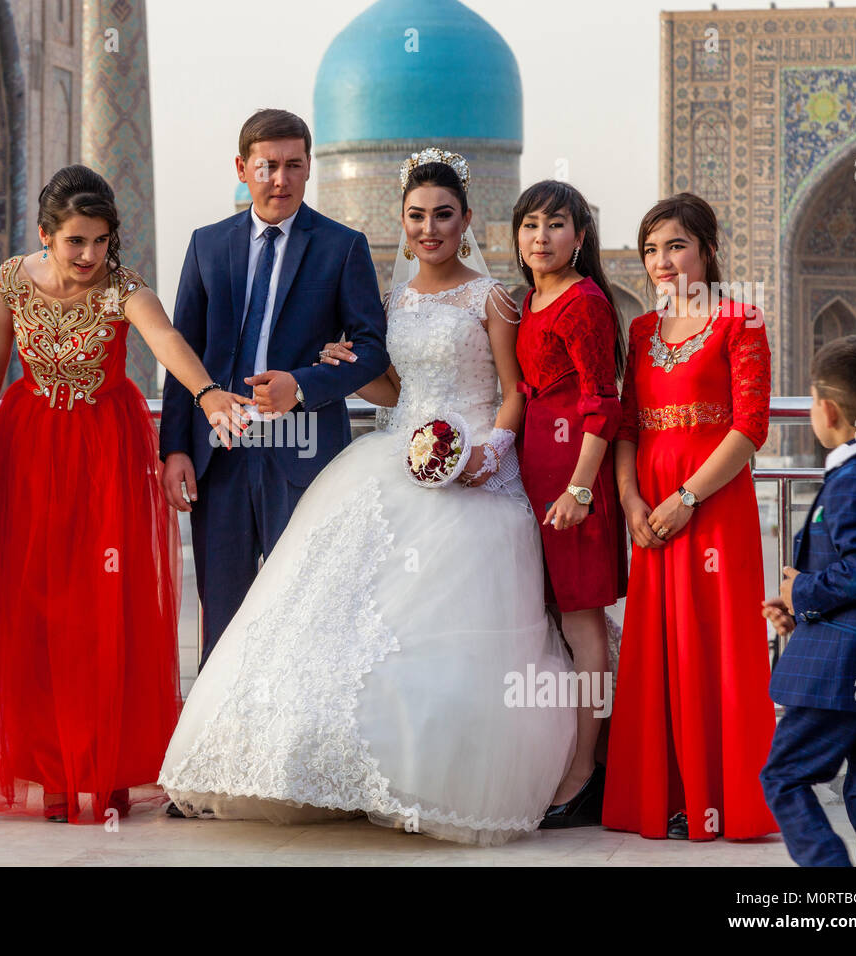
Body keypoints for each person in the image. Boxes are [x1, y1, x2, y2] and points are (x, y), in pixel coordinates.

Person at [157, 149, 576, 845]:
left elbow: (513, 393)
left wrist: (487, 452)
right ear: (403, 223)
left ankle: (432, 777)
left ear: (466, 220)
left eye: (443, 215)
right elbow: (395, 389)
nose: (430, 228)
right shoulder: (395, 300)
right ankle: (332, 767)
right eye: (417, 216)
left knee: (440, 627)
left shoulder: (492, 298)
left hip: (471, 468)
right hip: (396, 454)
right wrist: (345, 369)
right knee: (341, 614)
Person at [0, 165, 249, 824]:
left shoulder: (123, 287)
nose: (89, 256)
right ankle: (52, 772)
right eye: (76, 241)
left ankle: (107, 768)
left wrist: (205, 392)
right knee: (36, 610)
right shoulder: (9, 282)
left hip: (104, 457)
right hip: (23, 455)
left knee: (103, 609)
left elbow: (165, 339)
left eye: (101, 241)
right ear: (46, 236)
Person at [158, 108, 390, 671]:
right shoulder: (207, 245)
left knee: (305, 608)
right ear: (243, 168)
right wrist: (175, 449)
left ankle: (294, 744)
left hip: (306, 456)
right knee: (225, 614)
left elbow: (372, 347)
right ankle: (221, 745)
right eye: (266, 166)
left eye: (292, 165)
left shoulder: (342, 247)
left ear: (310, 168)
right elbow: (180, 352)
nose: (279, 179)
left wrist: (303, 386)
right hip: (222, 455)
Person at [602, 193, 778, 841]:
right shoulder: (642, 332)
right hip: (648, 511)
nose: (662, 261)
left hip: (712, 506)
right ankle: (668, 799)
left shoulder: (740, 321)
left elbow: (749, 427)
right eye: (651, 250)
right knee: (660, 648)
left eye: (676, 246)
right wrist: (630, 500)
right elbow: (626, 424)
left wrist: (688, 499)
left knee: (717, 646)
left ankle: (724, 801)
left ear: (707, 249)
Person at [760, 335, 856, 866]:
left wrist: (798, 591)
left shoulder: (851, 484)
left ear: (824, 411)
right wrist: (802, 614)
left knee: (784, 776)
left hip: (845, 671)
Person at [511, 180, 627, 827]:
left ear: (580, 237)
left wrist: (581, 489)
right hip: (536, 481)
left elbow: (602, 403)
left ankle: (585, 771)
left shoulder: (582, 301)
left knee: (583, 628)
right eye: (531, 225)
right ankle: (579, 756)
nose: (542, 237)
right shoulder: (532, 300)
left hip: (572, 489)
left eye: (556, 225)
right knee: (555, 619)